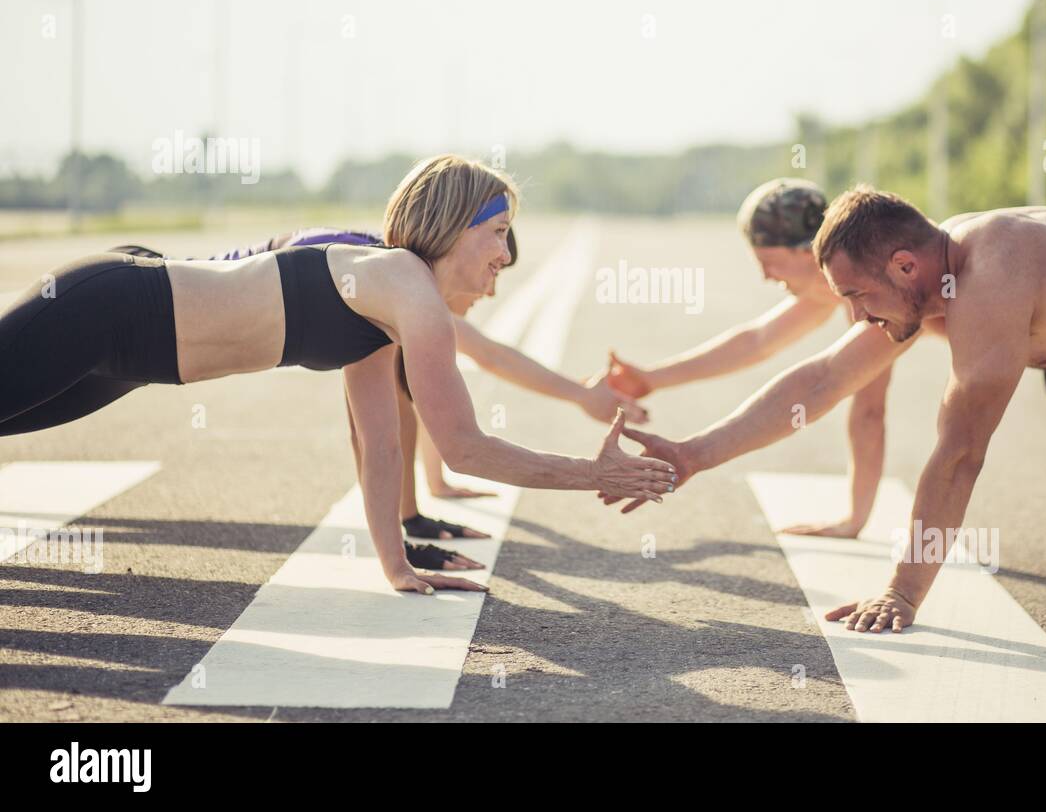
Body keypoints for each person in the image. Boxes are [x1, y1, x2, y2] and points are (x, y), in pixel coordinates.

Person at [614, 188, 1046, 632]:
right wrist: (695, 452)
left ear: (905, 267)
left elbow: (961, 451)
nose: (853, 316)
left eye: (857, 296)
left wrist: (903, 593)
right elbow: (820, 382)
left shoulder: (988, 280)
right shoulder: (948, 266)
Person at [0, 154, 677, 595]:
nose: (506, 253)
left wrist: (395, 564)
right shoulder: (403, 287)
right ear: (449, 226)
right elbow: (466, 444)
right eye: (497, 232)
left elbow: (376, 443)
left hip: (129, 358)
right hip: (105, 309)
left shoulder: (392, 307)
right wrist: (596, 474)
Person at [116, 224, 647, 573]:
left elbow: (422, 393)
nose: (490, 294)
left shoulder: (398, 274)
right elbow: (379, 425)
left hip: (162, 317)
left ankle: (412, 511)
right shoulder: (384, 273)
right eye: (491, 273)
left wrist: (426, 497)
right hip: (146, 298)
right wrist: (401, 535)